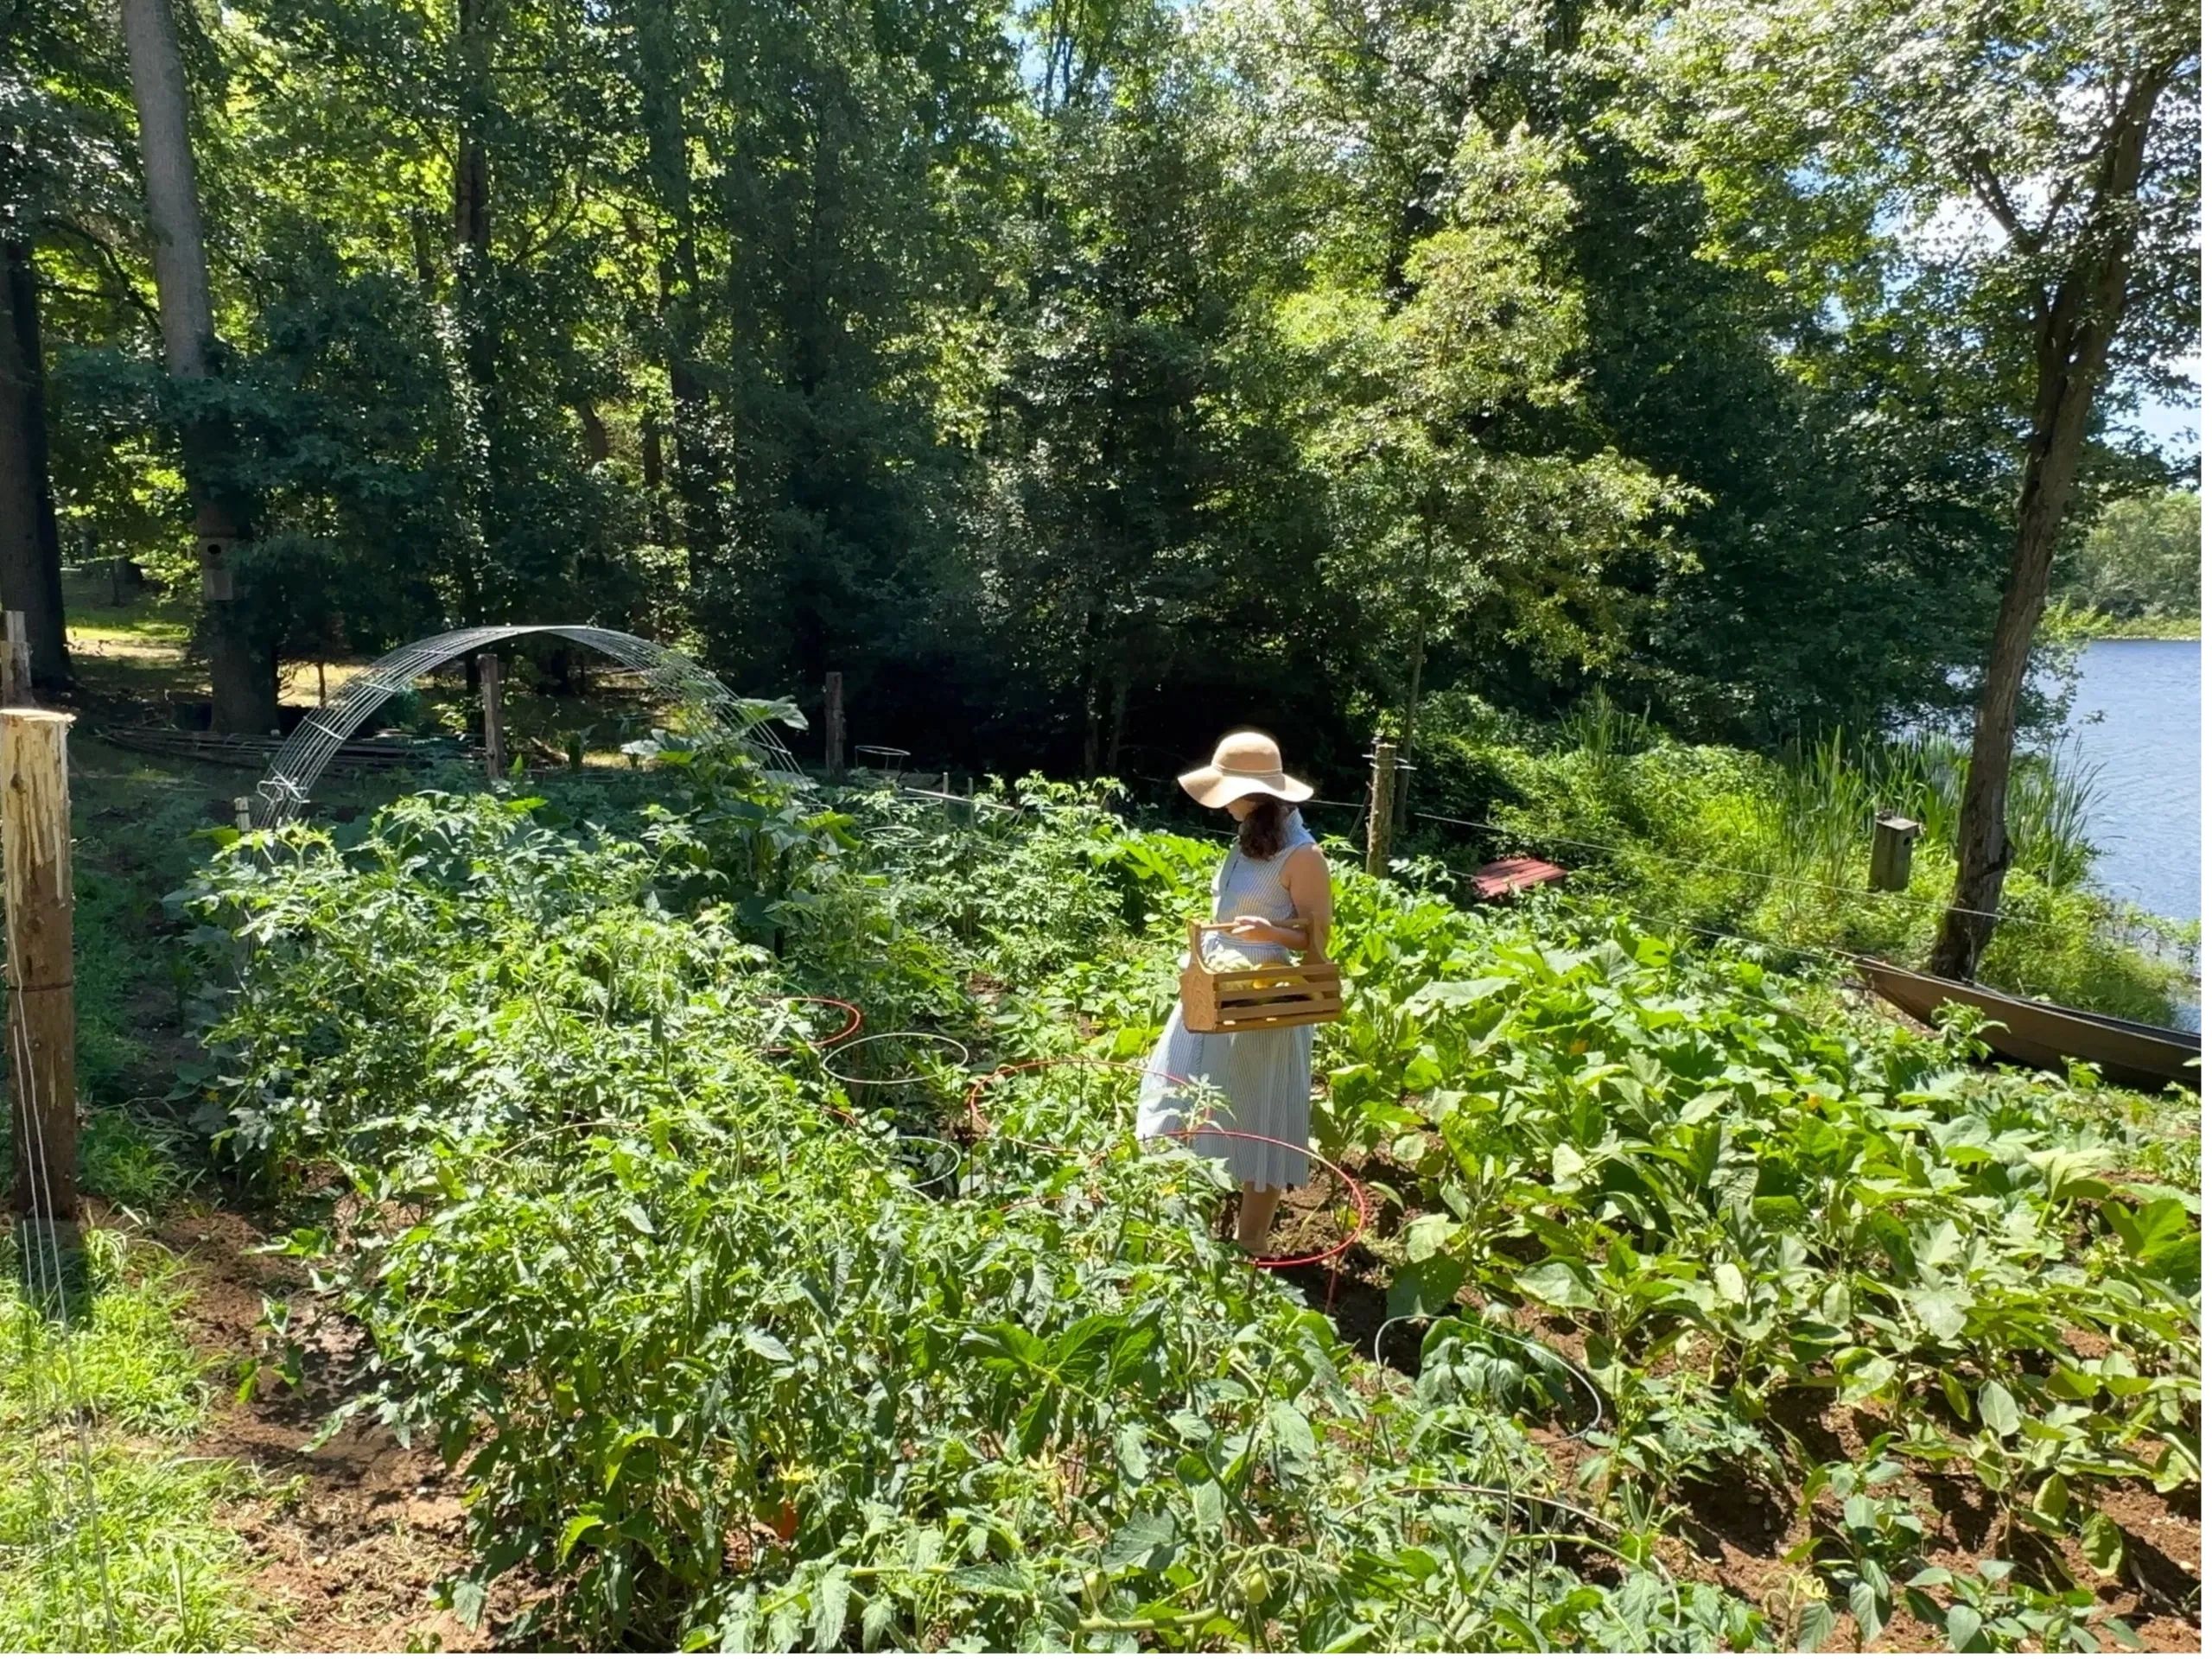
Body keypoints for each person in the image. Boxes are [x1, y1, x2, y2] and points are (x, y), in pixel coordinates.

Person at [1137, 730, 1333, 1254]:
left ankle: (1250, 1248)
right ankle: (1188, 1230)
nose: (1224, 803)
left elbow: (1317, 936)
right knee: (1188, 1094)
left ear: (1255, 795)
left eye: (1230, 792)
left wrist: (1268, 932)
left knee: (1260, 1113)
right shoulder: (1248, 840)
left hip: (1264, 999)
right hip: (1214, 986)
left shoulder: (1304, 856)